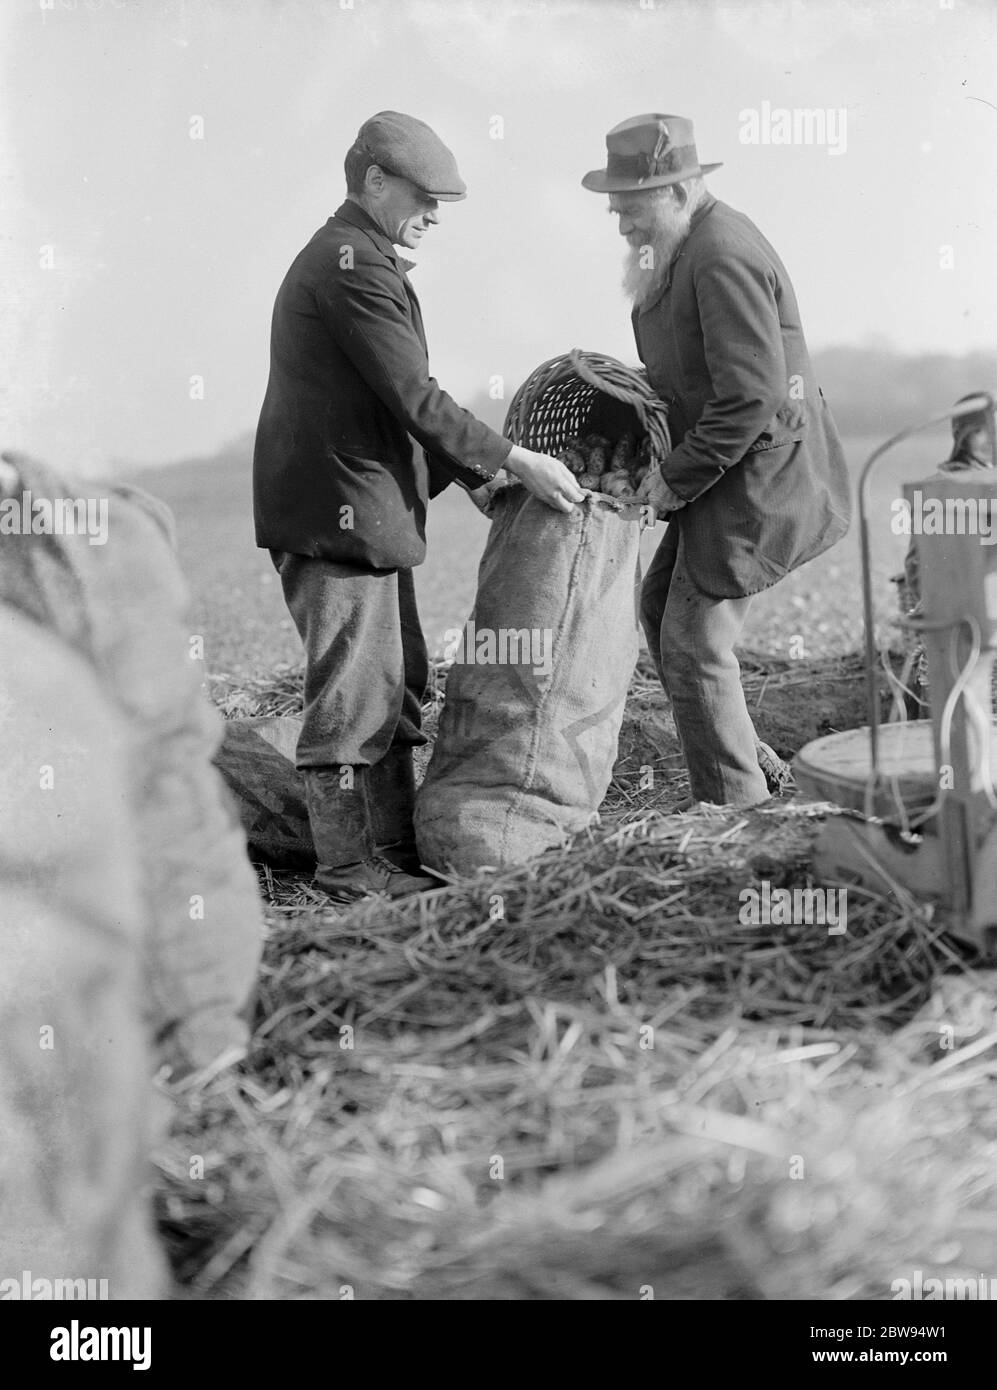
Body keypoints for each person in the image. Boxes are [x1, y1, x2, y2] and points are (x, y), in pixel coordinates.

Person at [254, 111, 583, 902]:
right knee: (350, 696)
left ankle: (396, 853)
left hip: (369, 515)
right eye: (425, 196)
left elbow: (394, 403)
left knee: (397, 685)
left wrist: (473, 480)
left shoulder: (365, 257)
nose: (435, 214)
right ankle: (344, 866)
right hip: (337, 517)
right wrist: (514, 459)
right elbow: (413, 394)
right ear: (373, 181)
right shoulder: (351, 267)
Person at [582, 113, 852, 809]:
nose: (622, 227)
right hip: (724, 472)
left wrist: (672, 478)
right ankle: (751, 768)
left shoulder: (718, 253)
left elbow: (751, 395)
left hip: (759, 478)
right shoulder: (680, 249)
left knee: (694, 641)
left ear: (676, 191)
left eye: (630, 209)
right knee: (658, 607)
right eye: (615, 212)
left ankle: (736, 813)